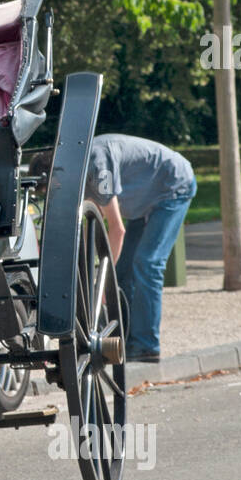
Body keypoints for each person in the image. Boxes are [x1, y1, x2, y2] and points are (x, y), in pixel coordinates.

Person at [81, 133, 196, 363]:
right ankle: (121, 339)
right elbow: (93, 224)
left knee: (148, 262)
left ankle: (146, 346)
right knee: (123, 270)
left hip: (172, 187)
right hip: (144, 201)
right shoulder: (80, 166)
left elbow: (116, 229)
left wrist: (101, 283)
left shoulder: (96, 164)